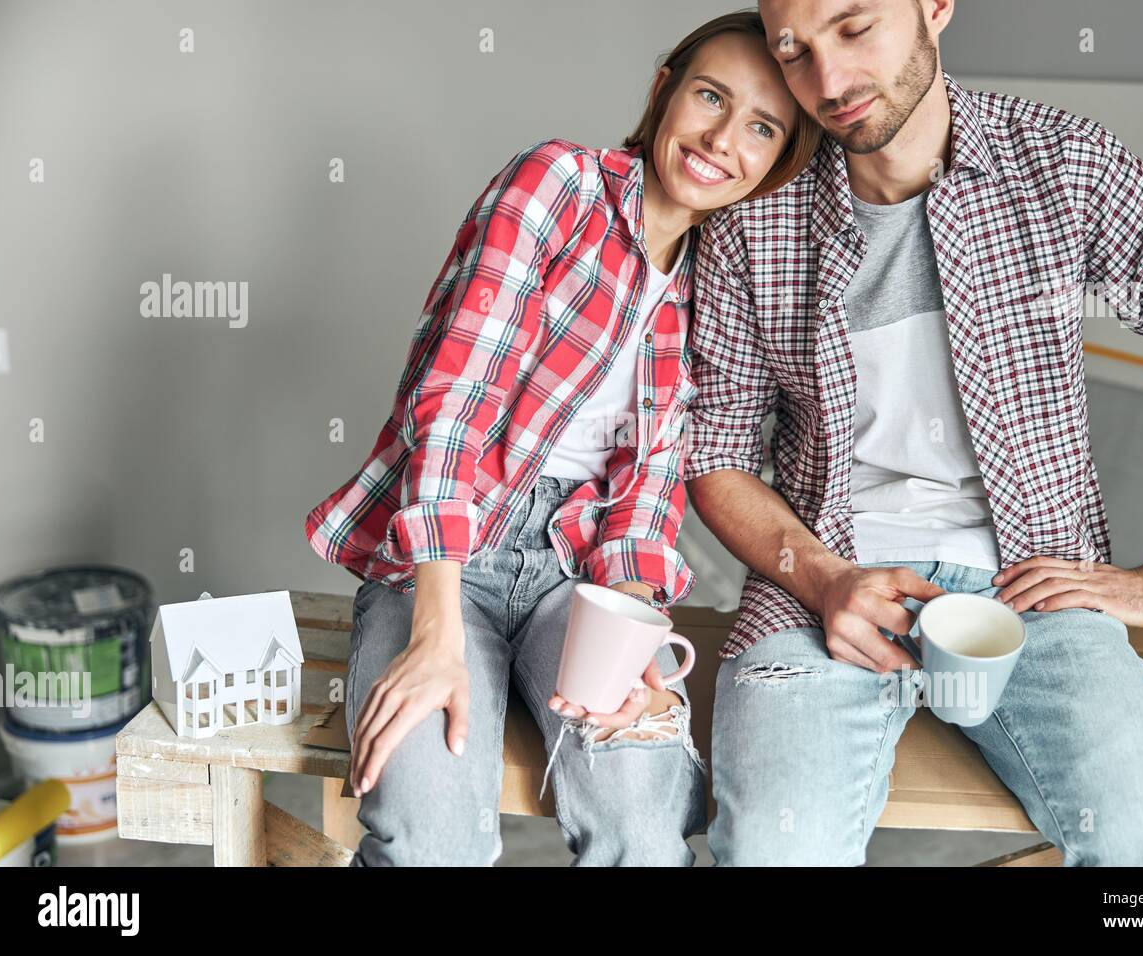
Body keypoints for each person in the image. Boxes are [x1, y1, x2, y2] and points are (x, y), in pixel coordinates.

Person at [686, 0, 1143, 865]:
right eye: (794, 51)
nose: (829, 82)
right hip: (824, 589)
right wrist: (820, 582)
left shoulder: (1064, 165)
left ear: (935, 7)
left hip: (1038, 592)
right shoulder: (753, 212)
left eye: (855, 28)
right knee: (779, 852)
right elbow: (717, 453)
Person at [303, 11, 821, 866]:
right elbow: (453, 403)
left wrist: (638, 643)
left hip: (577, 584)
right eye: (710, 97)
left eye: (761, 126)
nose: (723, 139)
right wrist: (434, 630)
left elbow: (648, 497)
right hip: (451, 557)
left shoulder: (713, 289)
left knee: (643, 819)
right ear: (663, 92)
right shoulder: (559, 186)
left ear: (776, 159)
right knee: (428, 833)